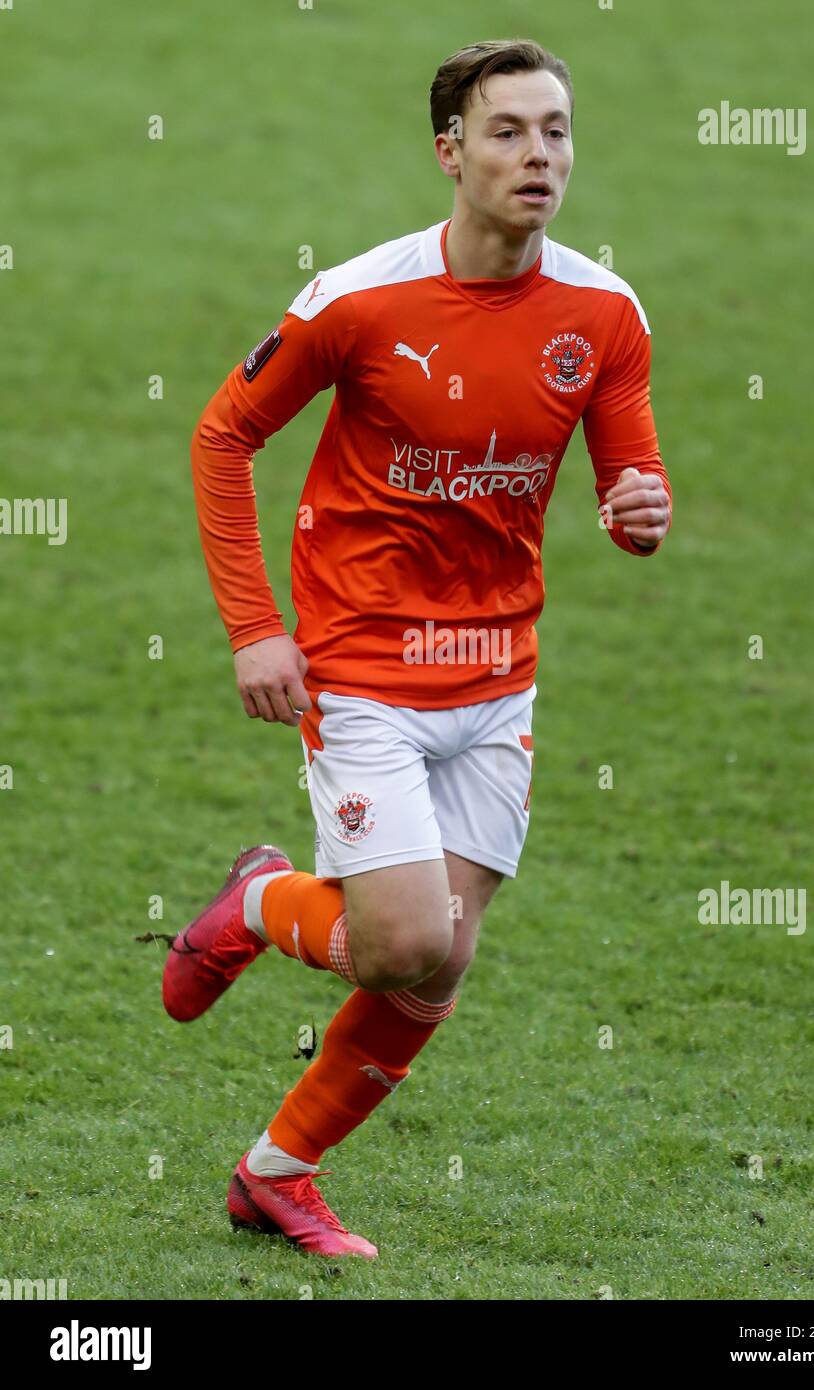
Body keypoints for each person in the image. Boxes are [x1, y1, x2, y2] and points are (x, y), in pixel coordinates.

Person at [164, 37, 672, 1259]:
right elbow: (222, 438)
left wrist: (640, 506)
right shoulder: (359, 301)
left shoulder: (603, 312)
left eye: (555, 131)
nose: (537, 155)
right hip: (362, 663)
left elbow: (628, 473)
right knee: (401, 942)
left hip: (498, 677)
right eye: (507, 131)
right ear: (450, 152)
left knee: (432, 975)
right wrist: (254, 630)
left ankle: (276, 1173)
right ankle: (258, 901)